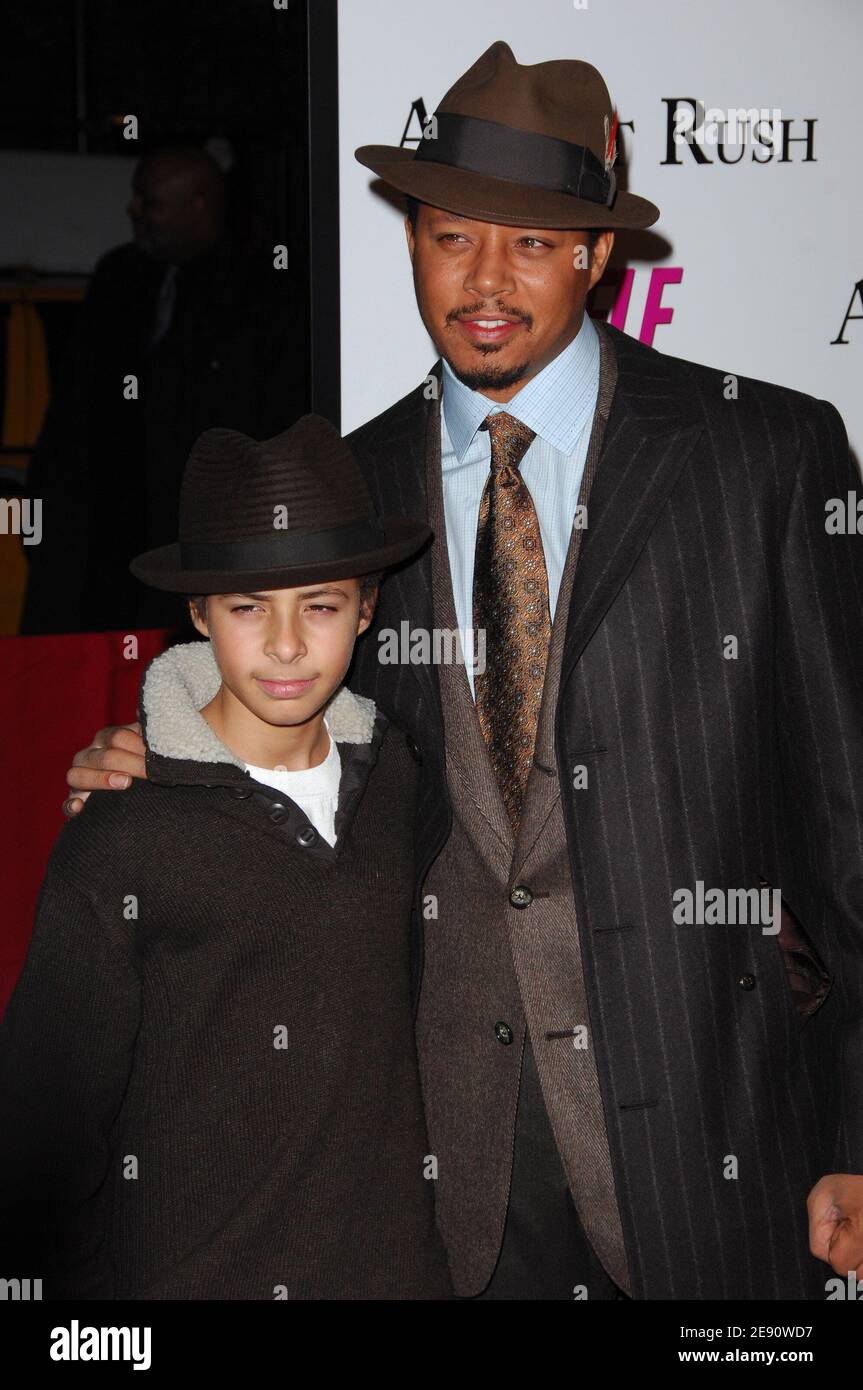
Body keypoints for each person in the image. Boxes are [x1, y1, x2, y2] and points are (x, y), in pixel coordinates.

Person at [63, 42, 863, 1299]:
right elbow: (291, 719)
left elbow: (846, 819)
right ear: (411, 240)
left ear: (598, 253)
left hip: (716, 1139)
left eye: (533, 243)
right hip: (444, 1160)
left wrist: (853, 1135)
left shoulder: (762, 454)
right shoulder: (351, 485)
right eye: (451, 237)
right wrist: (165, 758)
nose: (485, 283)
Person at [0, 414, 452, 1300]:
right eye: (248, 607)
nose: (286, 644)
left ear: (368, 607)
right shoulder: (122, 835)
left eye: (319, 604)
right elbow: (39, 1145)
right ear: (198, 611)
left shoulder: (401, 784)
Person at [21, 145, 308, 634]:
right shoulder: (121, 278)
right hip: (107, 540)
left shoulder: (257, 292)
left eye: (148, 201)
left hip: (197, 540)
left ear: (198, 205)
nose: (133, 212)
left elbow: (266, 418)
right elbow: (73, 409)